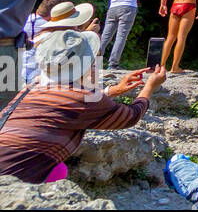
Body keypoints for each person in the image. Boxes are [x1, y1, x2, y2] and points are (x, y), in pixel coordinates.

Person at [0, 28, 165, 183]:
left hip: (6, 160)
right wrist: (149, 87)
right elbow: (132, 115)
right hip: (12, 178)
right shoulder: (83, 98)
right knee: (58, 170)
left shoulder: (31, 89)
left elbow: (66, 102)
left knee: (59, 169)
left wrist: (114, 90)